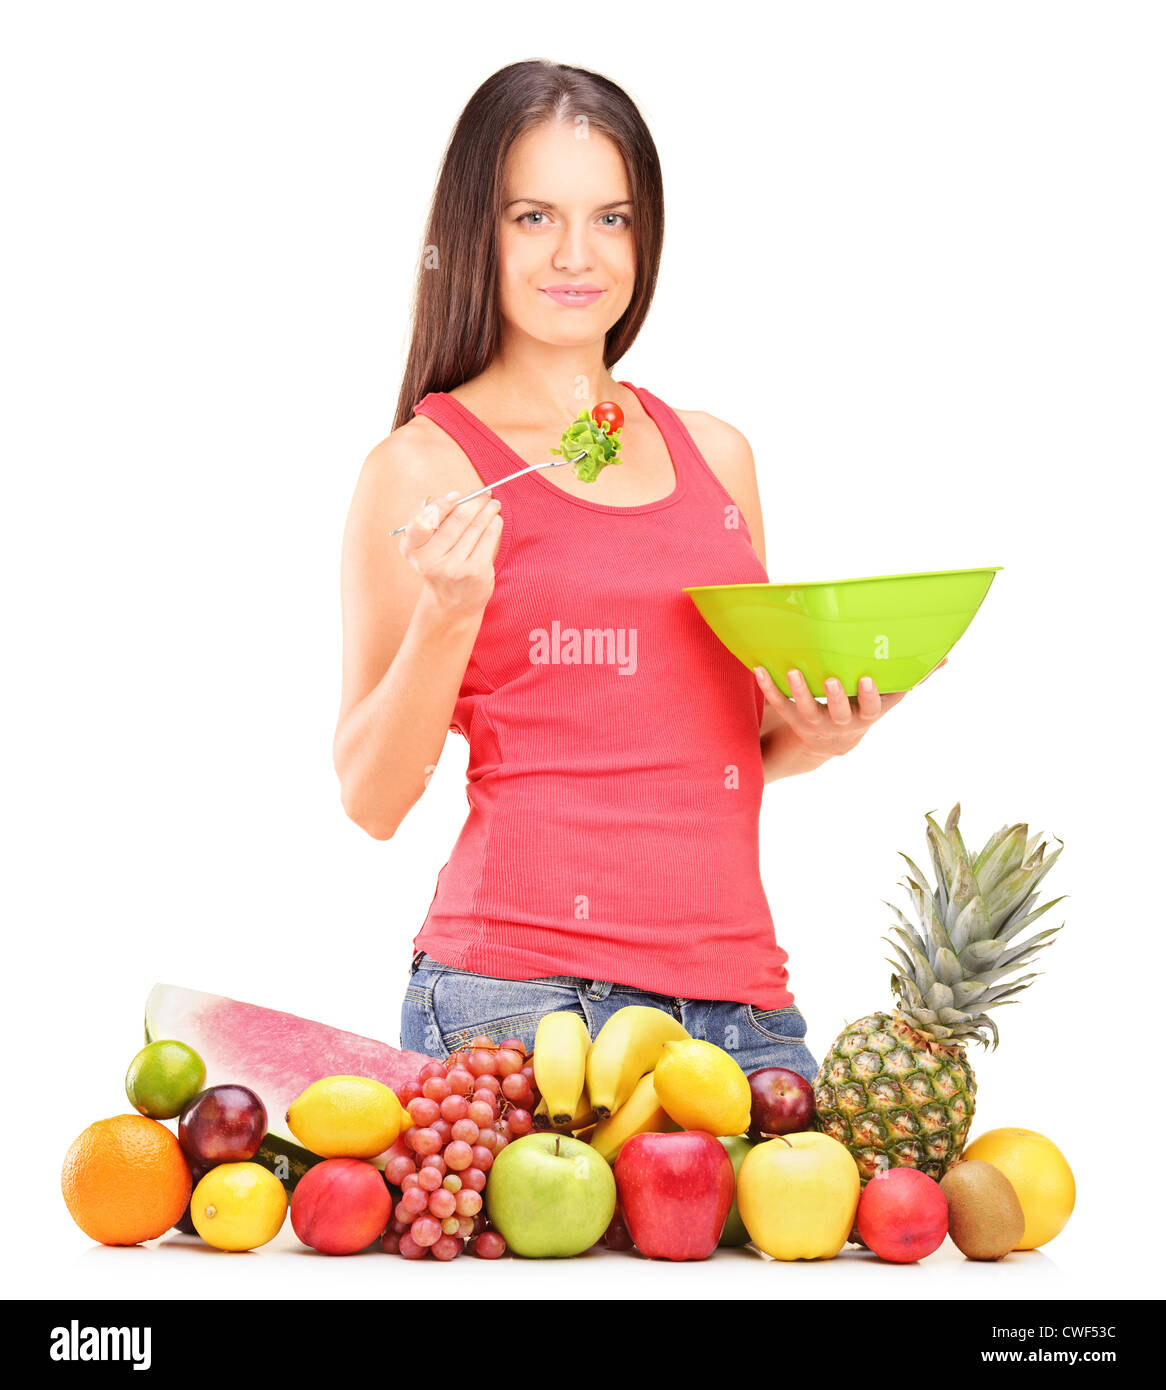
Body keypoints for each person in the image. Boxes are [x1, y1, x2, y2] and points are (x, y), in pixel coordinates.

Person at [333, 60, 926, 1081]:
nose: (576, 255)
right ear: (476, 230)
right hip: (515, 1008)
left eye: (609, 218)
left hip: (743, 1012)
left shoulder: (717, 455)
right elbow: (371, 797)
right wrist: (446, 612)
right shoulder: (423, 472)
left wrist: (814, 736)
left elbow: (714, 745)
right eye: (533, 216)